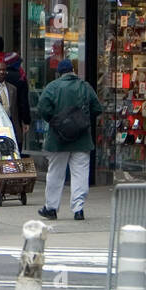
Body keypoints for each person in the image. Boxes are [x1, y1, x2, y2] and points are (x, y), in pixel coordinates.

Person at [36, 59, 103, 220]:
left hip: (58, 139)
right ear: (73, 70)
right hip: (82, 138)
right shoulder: (85, 86)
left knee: (55, 174)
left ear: (59, 73)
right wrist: (83, 120)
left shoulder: (52, 87)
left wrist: (54, 121)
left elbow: (43, 108)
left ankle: (51, 208)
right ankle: (78, 209)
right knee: (80, 173)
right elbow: (96, 108)